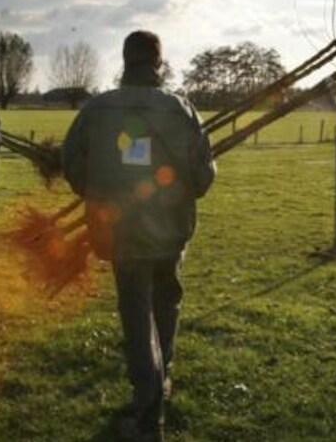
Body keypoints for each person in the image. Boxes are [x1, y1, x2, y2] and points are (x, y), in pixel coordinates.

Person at [62, 31, 216, 442]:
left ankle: (149, 409)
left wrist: (94, 192)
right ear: (158, 63)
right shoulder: (180, 109)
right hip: (171, 229)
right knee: (167, 303)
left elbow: (71, 161)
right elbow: (203, 176)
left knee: (135, 313)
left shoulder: (96, 109)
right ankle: (159, 385)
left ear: (125, 60)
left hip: (120, 230)